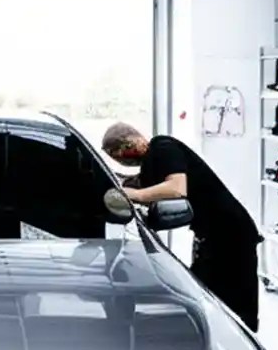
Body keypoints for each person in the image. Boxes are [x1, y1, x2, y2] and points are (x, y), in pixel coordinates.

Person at [101, 122, 262, 332]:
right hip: (210, 235)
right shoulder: (151, 165)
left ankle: (246, 346)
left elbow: (177, 189)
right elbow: (132, 183)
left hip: (231, 233)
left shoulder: (162, 147)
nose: (121, 160)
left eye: (119, 153)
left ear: (133, 141)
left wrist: (135, 195)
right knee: (207, 294)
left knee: (230, 301)